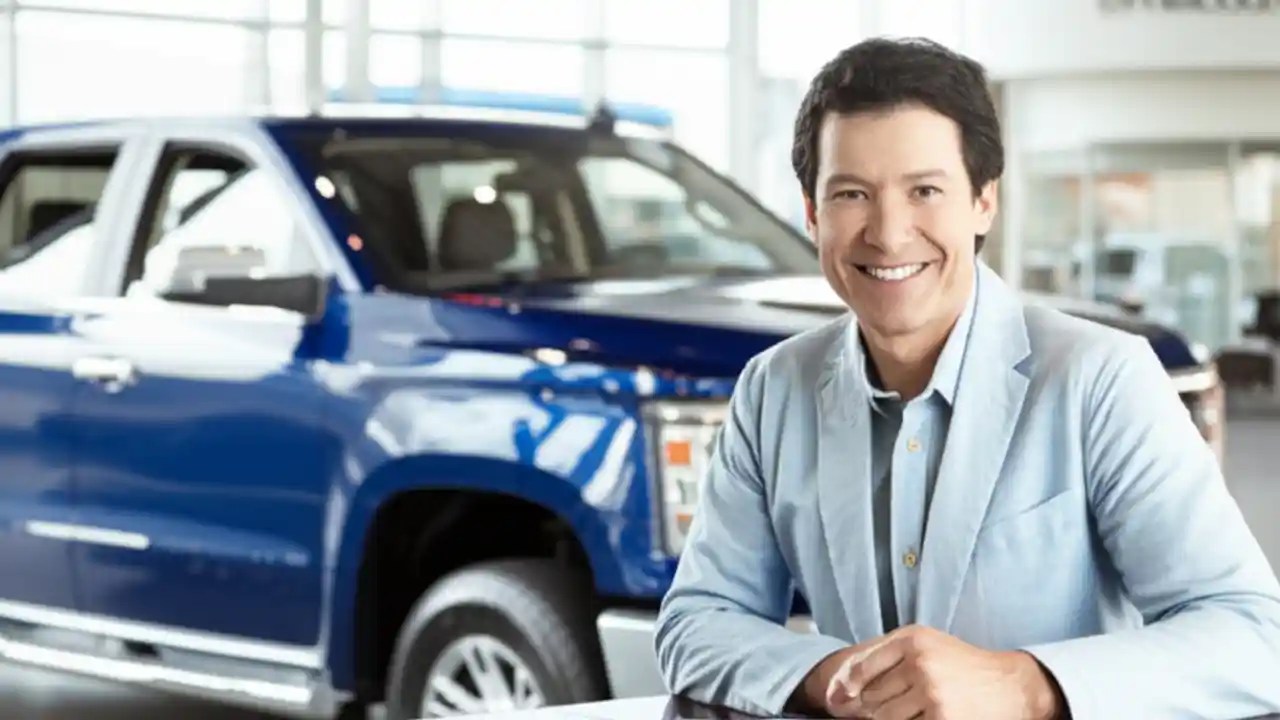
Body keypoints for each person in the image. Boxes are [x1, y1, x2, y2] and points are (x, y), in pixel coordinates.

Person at [653, 37, 1280, 720]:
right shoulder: (773, 388)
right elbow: (697, 623)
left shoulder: (1102, 378)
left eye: (925, 190)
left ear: (984, 202)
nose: (889, 234)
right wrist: (839, 676)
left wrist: (1023, 684)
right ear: (811, 213)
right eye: (852, 194)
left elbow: (1252, 638)